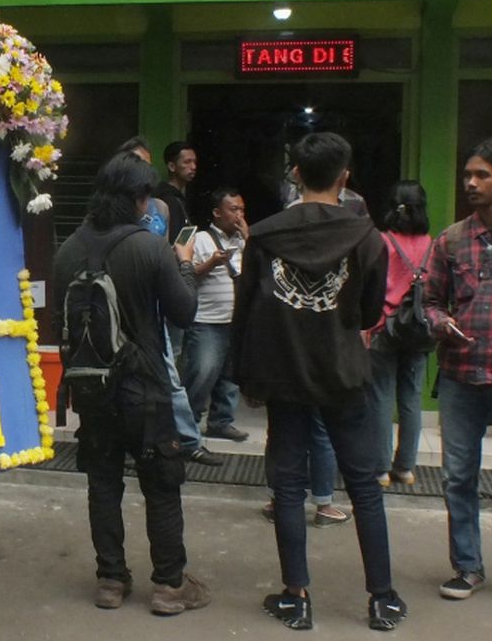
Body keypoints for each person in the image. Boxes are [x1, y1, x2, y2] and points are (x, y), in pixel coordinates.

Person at [231, 132, 406, 631]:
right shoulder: (367, 237)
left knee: (287, 486)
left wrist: (245, 375)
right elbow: (370, 311)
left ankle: (296, 597)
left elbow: (247, 311)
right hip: (344, 374)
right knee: (364, 486)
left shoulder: (263, 237)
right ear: (345, 177)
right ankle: (382, 598)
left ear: (296, 174)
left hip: (285, 375)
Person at [52, 154, 211, 616]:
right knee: (161, 482)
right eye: (147, 197)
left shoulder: (67, 250)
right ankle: (168, 585)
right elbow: (184, 313)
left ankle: (110, 580)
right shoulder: (150, 247)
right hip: (145, 388)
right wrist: (182, 264)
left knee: (103, 482)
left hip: (91, 387)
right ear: (137, 198)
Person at [423, 137, 492, 601]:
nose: (470, 182)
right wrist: (440, 322)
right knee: (458, 476)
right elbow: (429, 301)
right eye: (467, 174)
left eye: (482, 174)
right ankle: (467, 567)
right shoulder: (451, 240)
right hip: (461, 376)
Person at [116, 140, 221, 466]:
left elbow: (168, 251)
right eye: (135, 162)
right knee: (131, 376)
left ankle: (186, 440)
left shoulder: (160, 207)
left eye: (146, 163)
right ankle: (140, 442)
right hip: (122, 304)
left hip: (157, 302)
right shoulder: (114, 208)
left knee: (169, 373)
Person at [365, 181, 434, 488]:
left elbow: (374, 287)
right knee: (411, 398)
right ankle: (404, 468)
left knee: (380, 397)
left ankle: (380, 470)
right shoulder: (431, 242)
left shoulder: (383, 241)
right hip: (417, 329)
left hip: (385, 327)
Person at [182, 187, 249, 442]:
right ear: (216, 213)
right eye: (233, 209)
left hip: (235, 321)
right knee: (202, 373)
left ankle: (221, 422)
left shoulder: (244, 240)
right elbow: (184, 273)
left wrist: (248, 237)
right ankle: (187, 423)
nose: (239, 215)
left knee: (230, 376)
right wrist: (211, 263)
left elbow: (260, 271)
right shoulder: (199, 239)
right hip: (207, 321)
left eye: (242, 209)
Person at [155, 141, 197, 244]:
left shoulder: (177, 196)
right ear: (172, 166)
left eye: (195, 162)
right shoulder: (169, 199)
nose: (193, 167)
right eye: (187, 162)